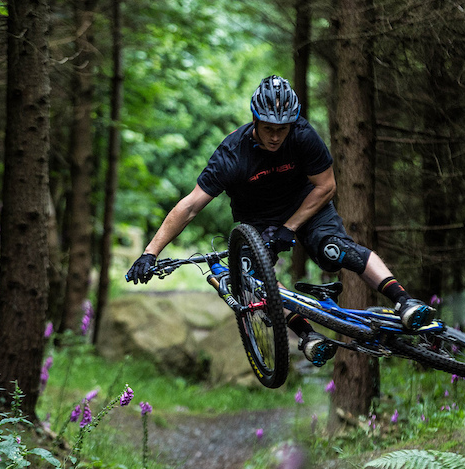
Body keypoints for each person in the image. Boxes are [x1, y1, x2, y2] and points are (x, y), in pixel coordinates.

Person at [125, 75, 434, 366]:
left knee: (334, 251)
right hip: (257, 220)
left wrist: (290, 227)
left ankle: (404, 302)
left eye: (282, 129)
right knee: (256, 278)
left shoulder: (301, 135)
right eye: (268, 128)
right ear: (255, 120)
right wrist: (150, 252)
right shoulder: (232, 155)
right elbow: (191, 205)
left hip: (308, 205)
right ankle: (307, 335)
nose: (275, 136)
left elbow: (327, 186)